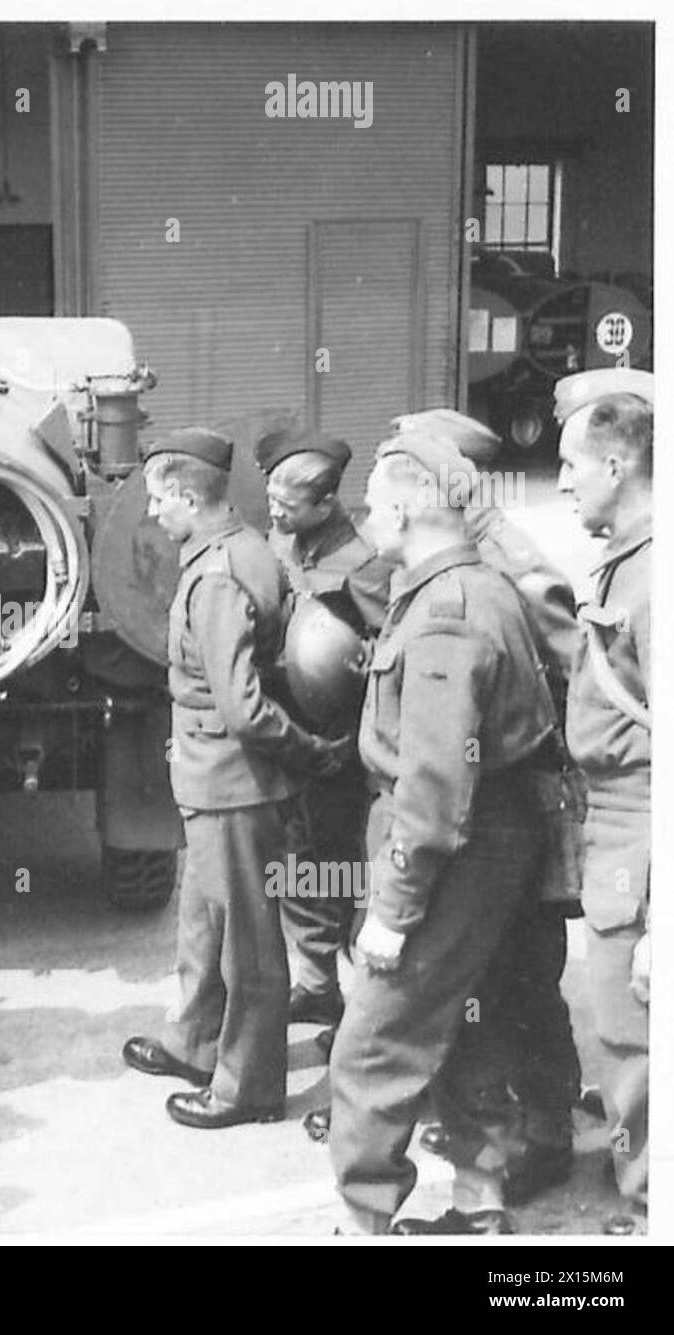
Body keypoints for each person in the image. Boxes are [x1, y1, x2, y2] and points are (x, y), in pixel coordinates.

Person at [328, 432, 556, 1235]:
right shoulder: (473, 586)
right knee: (468, 1017)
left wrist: (392, 912)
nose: (365, 515)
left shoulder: (445, 613)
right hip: (489, 838)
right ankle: (480, 1200)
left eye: (374, 502)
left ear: (406, 506)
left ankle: (362, 1221)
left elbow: (433, 787)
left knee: (371, 1044)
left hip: (451, 845)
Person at [121, 428, 349, 1128]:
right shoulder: (239, 547)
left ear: (191, 498)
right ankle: (194, 1041)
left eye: (160, 499)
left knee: (247, 940)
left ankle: (249, 1084)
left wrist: (311, 752)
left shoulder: (219, 576)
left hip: (233, 781)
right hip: (212, 777)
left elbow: (245, 709)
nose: (153, 512)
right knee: (202, 918)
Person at [391, 408, 585, 1208]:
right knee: (499, 974)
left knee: (523, 972)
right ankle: (510, 1116)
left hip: (521, 794)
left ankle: (545, 1132)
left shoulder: (506, 560)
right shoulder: (463, 557)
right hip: (491, 790)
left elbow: (576, 669)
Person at [554, 368, 653, 1236]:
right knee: (620, 1019)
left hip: (643, 820)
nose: (560, 482)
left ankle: (652, 1207)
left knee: (633, 1025)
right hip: (617, 813)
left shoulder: (654, 581)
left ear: (617, 464)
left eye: (571, 466)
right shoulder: (626, 563)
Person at [254, 424, 390, 1028]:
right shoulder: (277, 544)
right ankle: (315, 983)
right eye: (272, 503)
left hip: (339, 749)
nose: (276, 515)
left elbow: (392, 655)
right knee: (296, 863)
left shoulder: (364, 565)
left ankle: (354, 1014)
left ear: (328, 504)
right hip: (289, 737)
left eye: (290, 507)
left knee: (342, 868)